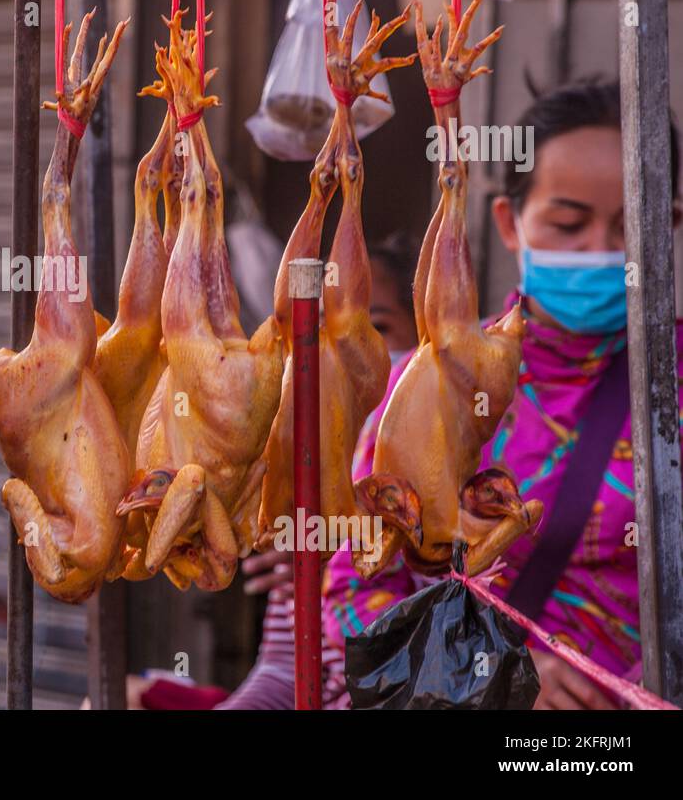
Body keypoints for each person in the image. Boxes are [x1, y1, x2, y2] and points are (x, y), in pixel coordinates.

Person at [325, 78, 682, 710]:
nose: (600, 251)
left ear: (672, 227)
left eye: (634, 225)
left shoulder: (671, 390)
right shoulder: (436, 384)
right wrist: (488, 675)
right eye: (569, 223)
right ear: (509, 223)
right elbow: (353, 588)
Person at [217, 233, 420, 710]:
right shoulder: (303, 495)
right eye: (322, 335)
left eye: (377, 332)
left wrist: (332, 571)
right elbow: (283, 672)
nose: (346, 359)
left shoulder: (456, 482)